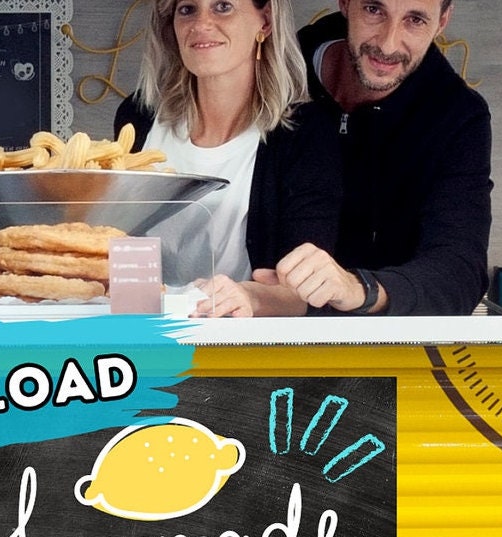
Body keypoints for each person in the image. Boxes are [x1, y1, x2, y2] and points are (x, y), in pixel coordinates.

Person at [253, 0, 491, 315]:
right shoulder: (270, 69)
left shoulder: (457, 116)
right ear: (345, 3)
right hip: (235, 329)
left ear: (443, 20)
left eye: (415, 19)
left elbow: (459, 271)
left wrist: (359, 288)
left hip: (382, 349)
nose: (388, 43)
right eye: (374, 10)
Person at [115, 0, 342, 317]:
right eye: (188, 9)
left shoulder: (306, 133)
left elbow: (303, 292)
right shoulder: (139, 116)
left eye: (222, 7)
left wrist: (249, 297)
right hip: (141, 335)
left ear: (265, 22)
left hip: (242, 349)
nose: (201, 23)